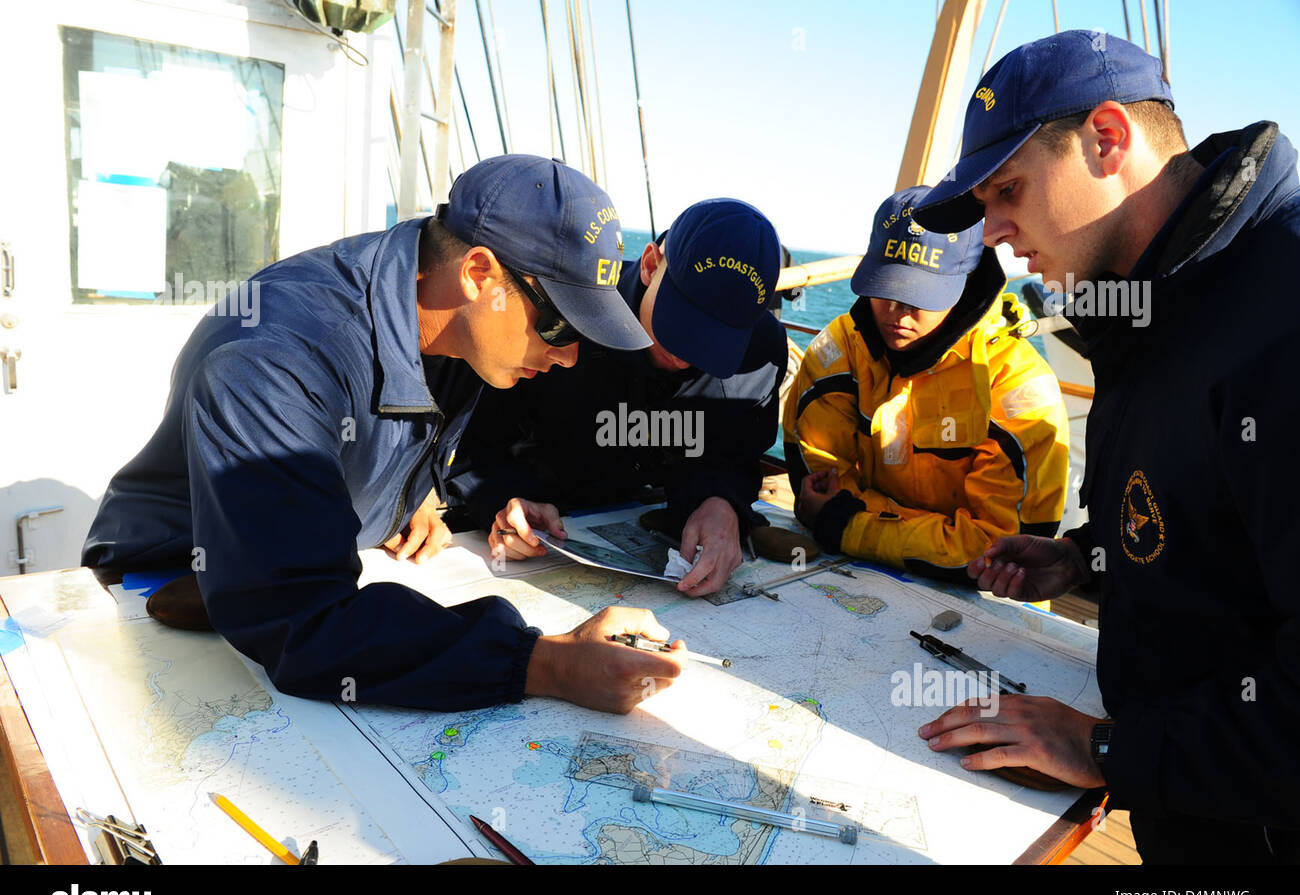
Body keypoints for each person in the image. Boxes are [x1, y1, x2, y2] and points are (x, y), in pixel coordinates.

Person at [82, 155, 686, 714]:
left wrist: (411, 495)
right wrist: (548, 663)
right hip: (158, 590)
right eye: (558, 324)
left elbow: (390, 430)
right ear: (479, 273)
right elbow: (301, 623)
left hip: (311, 572)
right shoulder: (275, 357)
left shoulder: (448, 317)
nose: (571, 357)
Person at [911, 30, 1300, 863]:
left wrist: (1102, 751)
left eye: (1007, 190)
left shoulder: (1284, 315)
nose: (995, 233)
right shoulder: (1152, 295)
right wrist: (1089, 558)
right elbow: (1209, 522)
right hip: (1186, 805)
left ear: (1108, 138)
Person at [443, 198, 785, 597]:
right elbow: (473, 446)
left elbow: (735, 455)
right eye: (683, 321)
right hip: (535, 543)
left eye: (715, 341)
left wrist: (723, 503)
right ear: (650, 264)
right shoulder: (563, 313)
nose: (687, 352)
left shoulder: (760, 352)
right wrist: (504, 502)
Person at [784, 185, 1068, 581]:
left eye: (921, 293)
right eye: (886, 287)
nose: (897, 311)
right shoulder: (838, 351)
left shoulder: (1017, 386)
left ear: (968, 282)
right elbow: (817, 479)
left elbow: (1002, 550)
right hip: (849, 571)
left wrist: (850, 524)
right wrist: (937, 531)